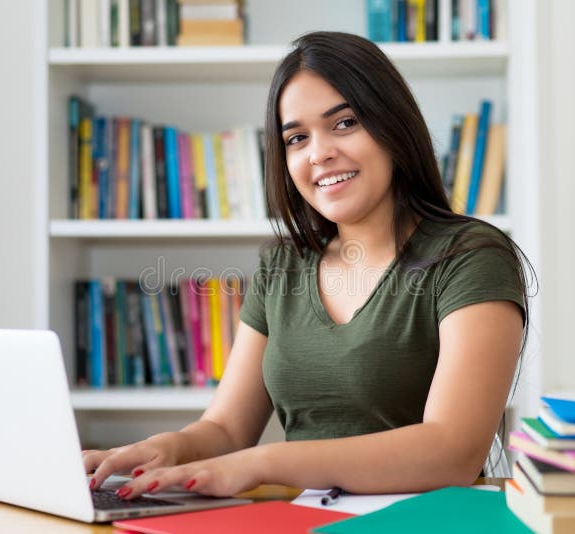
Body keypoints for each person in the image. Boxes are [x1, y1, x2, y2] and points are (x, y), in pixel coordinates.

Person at [83, 31, 532, 500]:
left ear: (393, 126)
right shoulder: (282, 266)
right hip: (308, 518)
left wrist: (264, 462)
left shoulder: (470, 256)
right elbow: (225, 429)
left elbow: (452, 452)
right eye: (297, 137)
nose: (319, 153)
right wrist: (165, 448)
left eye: (344, 123)